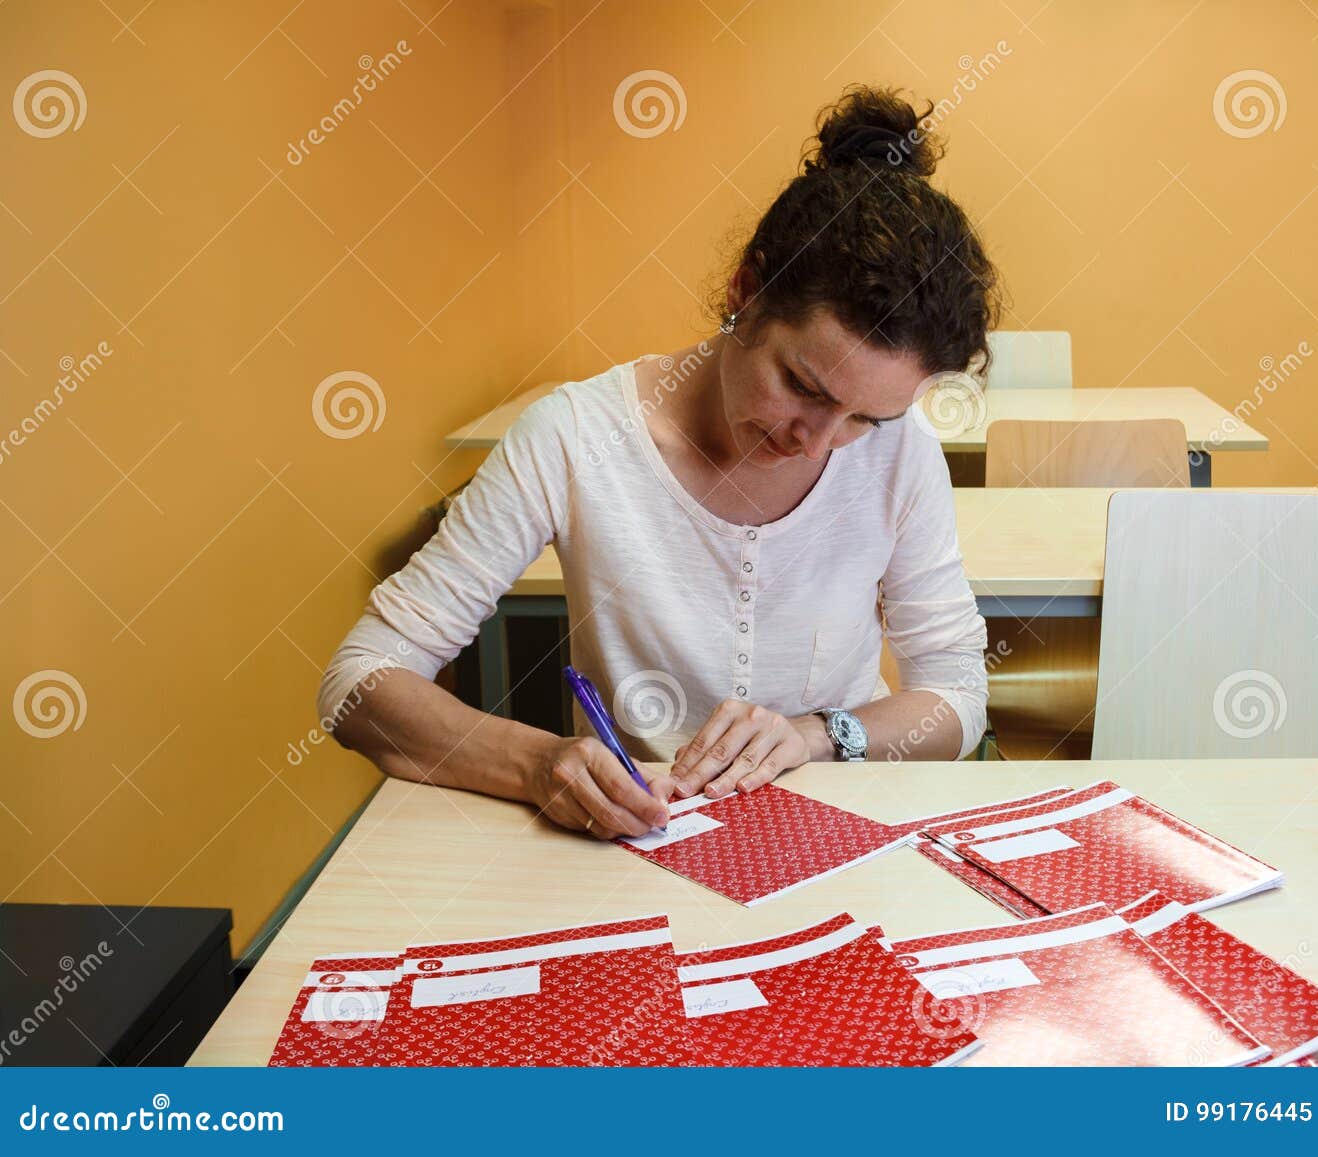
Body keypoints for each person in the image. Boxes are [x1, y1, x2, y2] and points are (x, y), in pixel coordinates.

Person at [316, 85, 1000, 840]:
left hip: (835, 836)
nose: (818, 441)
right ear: (746, 291)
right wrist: (539, 762)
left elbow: (959, 693)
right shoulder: (576, 436)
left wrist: (817, 734)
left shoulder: (901, 459)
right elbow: (359, 681)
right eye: (803, 386)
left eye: (867, 419)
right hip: (634, 842)